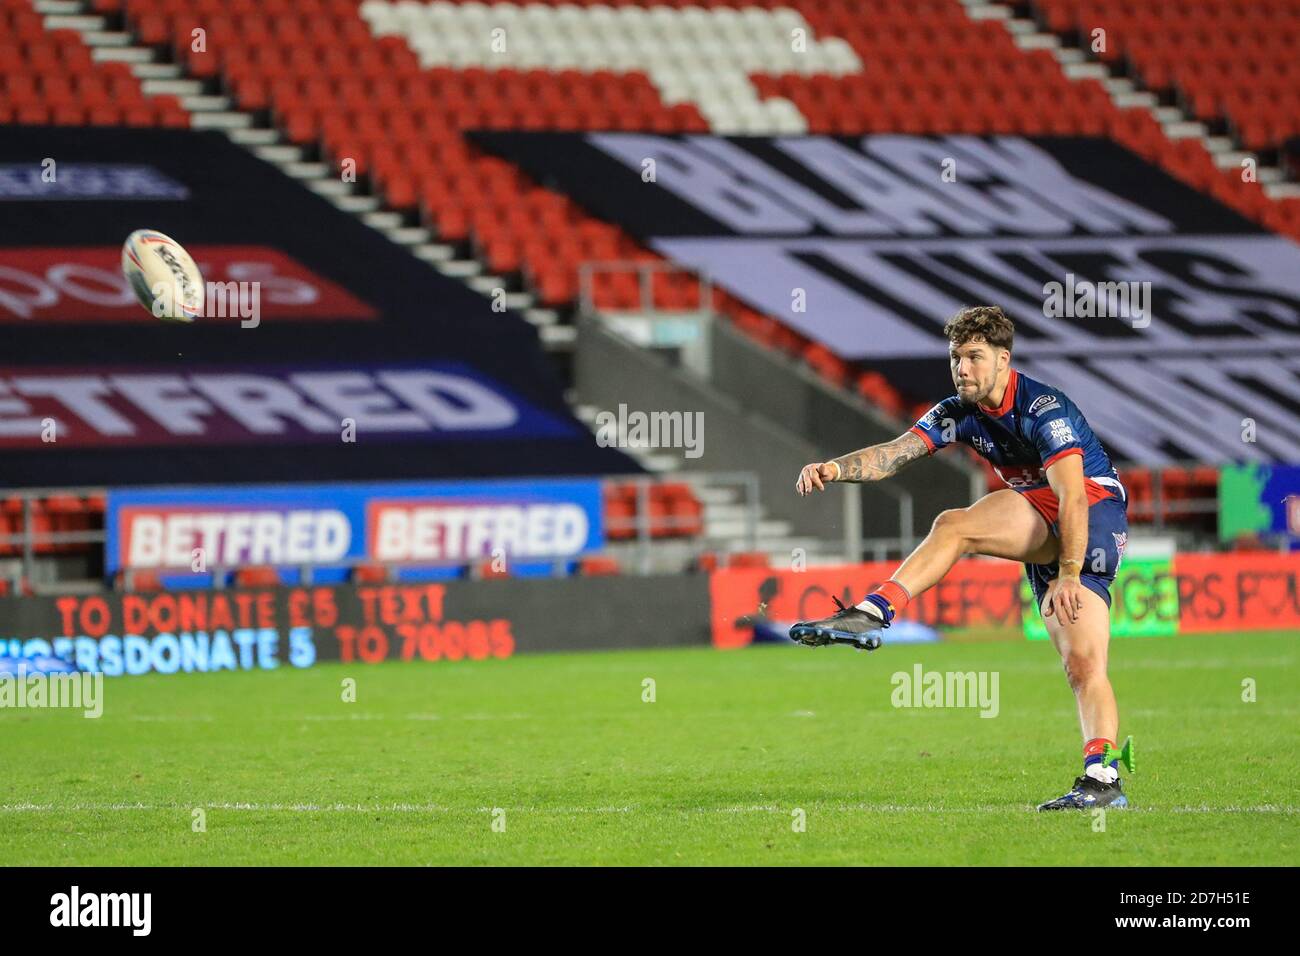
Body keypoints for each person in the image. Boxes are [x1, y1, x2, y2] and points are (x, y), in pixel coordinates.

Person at [791, 306, 1130, 811]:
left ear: (1003, 359)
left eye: (974, 356)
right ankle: (1103, 780)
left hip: (1088, 513)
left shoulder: (1044, 409)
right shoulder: (958, 412)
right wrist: (834, 468)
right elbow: (896, 453)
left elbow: (1073, 498)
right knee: (1082, 664)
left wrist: (1069, 572)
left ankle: (873, 612)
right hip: (1053, 526)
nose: (962, 368)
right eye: (956, 357)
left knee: (956, 526)